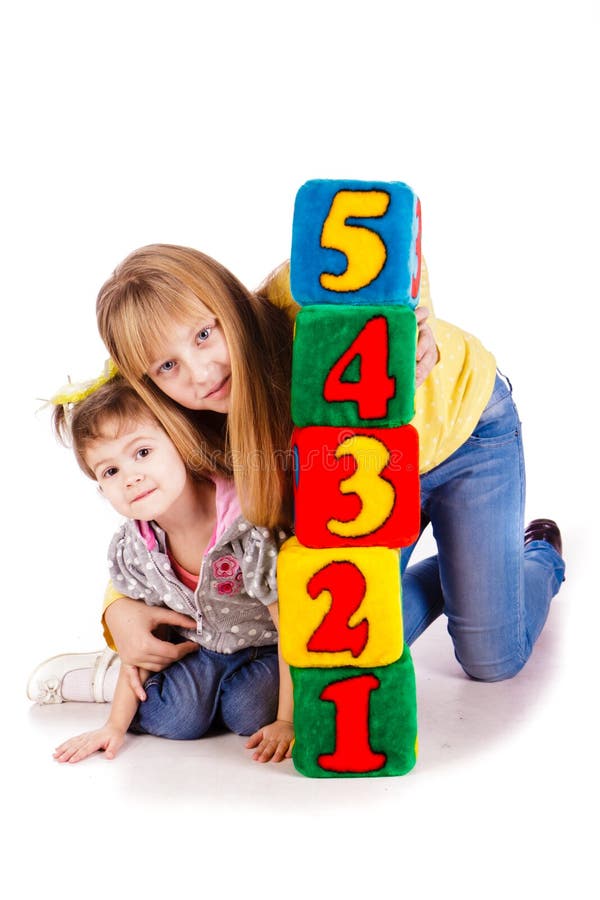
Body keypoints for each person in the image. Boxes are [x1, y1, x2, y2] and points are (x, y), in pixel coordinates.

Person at [30, 241, 564, 706]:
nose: (200, 373)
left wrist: (415, 321)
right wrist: (117, 608)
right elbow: (170, 518)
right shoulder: (192, 426)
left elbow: (393, 258)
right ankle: (458, 573)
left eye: (203, 335)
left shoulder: (291, 302)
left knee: (493, 661)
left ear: (227, 303)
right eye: (166, 366)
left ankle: (537, 552)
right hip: (369, 490)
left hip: (464, 435)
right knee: (338, 646)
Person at [40, 374, 294, 763]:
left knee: (250, 712)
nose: (131, 477)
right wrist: (113, 727)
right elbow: (140, 643)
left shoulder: (246, 528)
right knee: (176, 719)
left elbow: (289, 625)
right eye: (110, 472)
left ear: (179, 442)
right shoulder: (136, 547)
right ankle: (111, 680)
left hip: (264, 647)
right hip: (199, 649)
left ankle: (225, 699)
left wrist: (287, 721)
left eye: (142, 453)